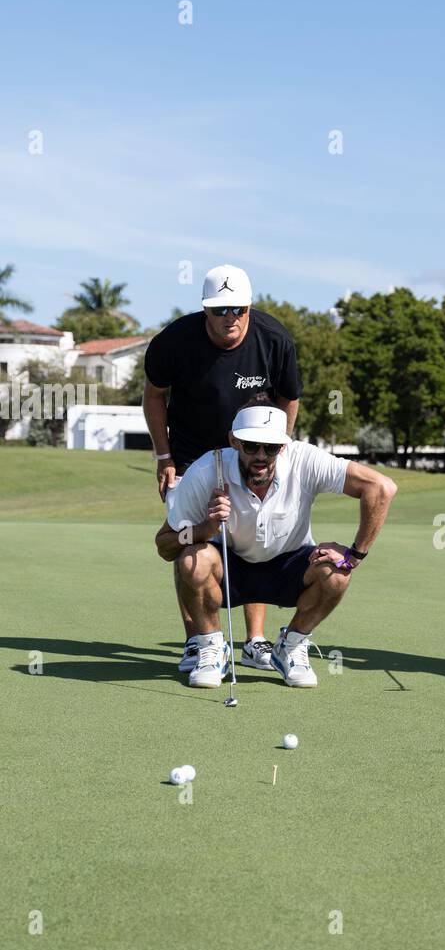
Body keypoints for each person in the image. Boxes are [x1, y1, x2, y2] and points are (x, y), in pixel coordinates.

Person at [154, 405, 396, 689]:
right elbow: (165, 544)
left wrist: (354, 555)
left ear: (283, 446)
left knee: (337, 572)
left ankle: (290, 646)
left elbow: (381, 488)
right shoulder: (208, 469)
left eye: (270, 448)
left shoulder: (304, 460)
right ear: (234, 441)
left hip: (289, 567)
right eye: (251, 445)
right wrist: (202, 530)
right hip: (229, 571)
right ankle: (212, 647)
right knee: (193, 559)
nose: (260, 456)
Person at [142, 265, 302, 674]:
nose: (230, 317)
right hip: (193, 452)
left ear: (248, 307)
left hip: (253, 449)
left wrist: (277, 447)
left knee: (254, 534)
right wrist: (164, 457)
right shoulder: (174, 342)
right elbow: (155, 397)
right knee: (187, 540)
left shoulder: (274, 339)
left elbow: (289, 398)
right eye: (220, 310)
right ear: (205, 310)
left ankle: (255, 641)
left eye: (238, 309)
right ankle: (200, 641)